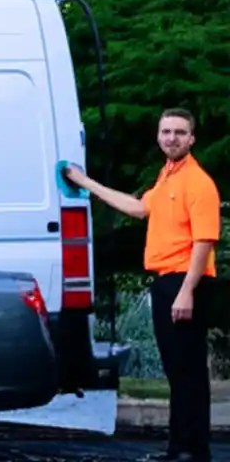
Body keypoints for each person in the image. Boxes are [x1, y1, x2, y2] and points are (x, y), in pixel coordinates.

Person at [63, 107, 221, 462]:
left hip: (185, 282)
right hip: (167, 281)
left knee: (188, 373)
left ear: (191, 138)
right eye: (166, 132)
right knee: (177, 372)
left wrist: (186, 292)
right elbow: (137, 208)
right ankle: (181, 448)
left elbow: (204, 241)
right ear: (159, 136)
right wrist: (86, 183)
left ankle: (191, 451)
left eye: (180, 132)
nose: (172, 138)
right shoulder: (167, 178)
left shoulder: (198, 183)